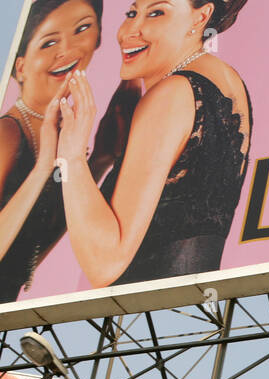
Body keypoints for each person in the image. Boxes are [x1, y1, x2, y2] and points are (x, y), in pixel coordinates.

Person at [54, 0, 252, 287]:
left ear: (201, 17)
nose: (130, 31)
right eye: (132, 13)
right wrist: (101, 159)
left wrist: (71, 155)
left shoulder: (170, 95)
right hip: (181, 312)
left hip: (141, 316)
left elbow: (104, 264)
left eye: (157, 12)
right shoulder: (226, 81)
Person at [0, 0, 105, 309]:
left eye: (83, 28)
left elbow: (25, 254)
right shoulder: (6, 135)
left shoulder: (64, 133)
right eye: (49, 42)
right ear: (20, 66)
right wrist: (42, 169)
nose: (68, 50)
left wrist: (101, 158)